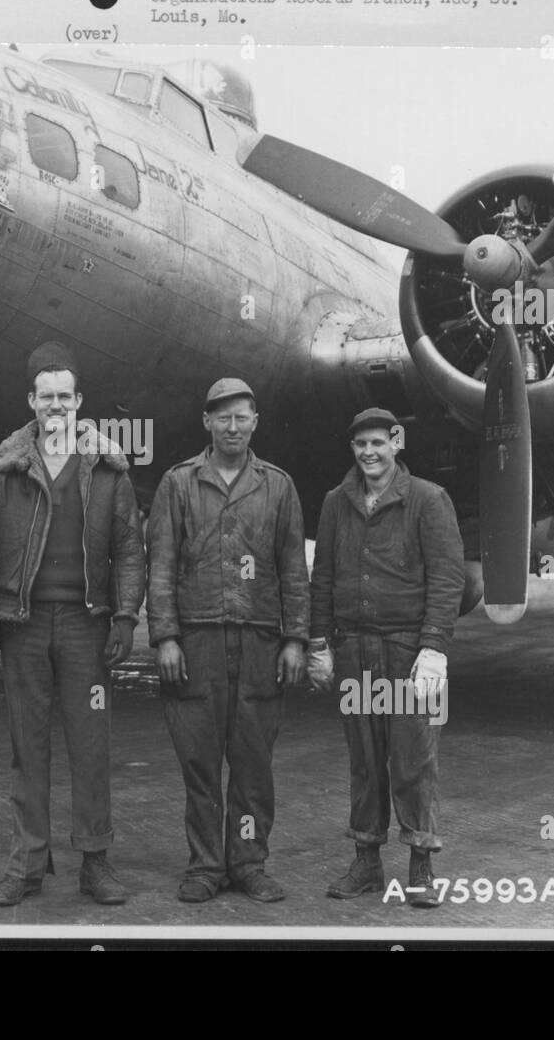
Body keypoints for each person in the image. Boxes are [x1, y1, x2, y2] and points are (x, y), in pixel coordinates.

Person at [0, 342, 146, 906]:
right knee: (27, 744)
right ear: (32, 402)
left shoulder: (110, 468)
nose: (57, 406)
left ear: (79, 401)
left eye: (66, 396)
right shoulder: (5, 467)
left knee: (91, 744)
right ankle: (26, 864)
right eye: (47, 397)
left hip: (86, 627)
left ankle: (95, 861)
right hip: (25, 624)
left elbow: (131, 550)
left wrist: (126, 616)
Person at [146, 378, 309, 904]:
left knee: (253, 764)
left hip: (261, 642)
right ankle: (204, 867)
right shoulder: (177, 483)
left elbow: (292, 568)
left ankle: (248, 863)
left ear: (255, 421)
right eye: (223, 418)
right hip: (196, 642)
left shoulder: (278, 486)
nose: (233, 427)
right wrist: (166, 637)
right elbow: (162, 566)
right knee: (199, 763)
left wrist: (295, 640)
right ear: (207, 422)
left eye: (242, 417)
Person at [307, 408, 465, 909]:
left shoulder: (427, 500)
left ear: (397, 442)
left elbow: (447, 577)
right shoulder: (337, 502)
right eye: (360, 445)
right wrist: (319, 645)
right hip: (355, 650)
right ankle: (367, 862)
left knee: (414, 758)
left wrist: (435, 647)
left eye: (378, 443)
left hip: (407, 652)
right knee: (366, 760)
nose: (369, 453)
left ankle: (421, 866)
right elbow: (324, 578)